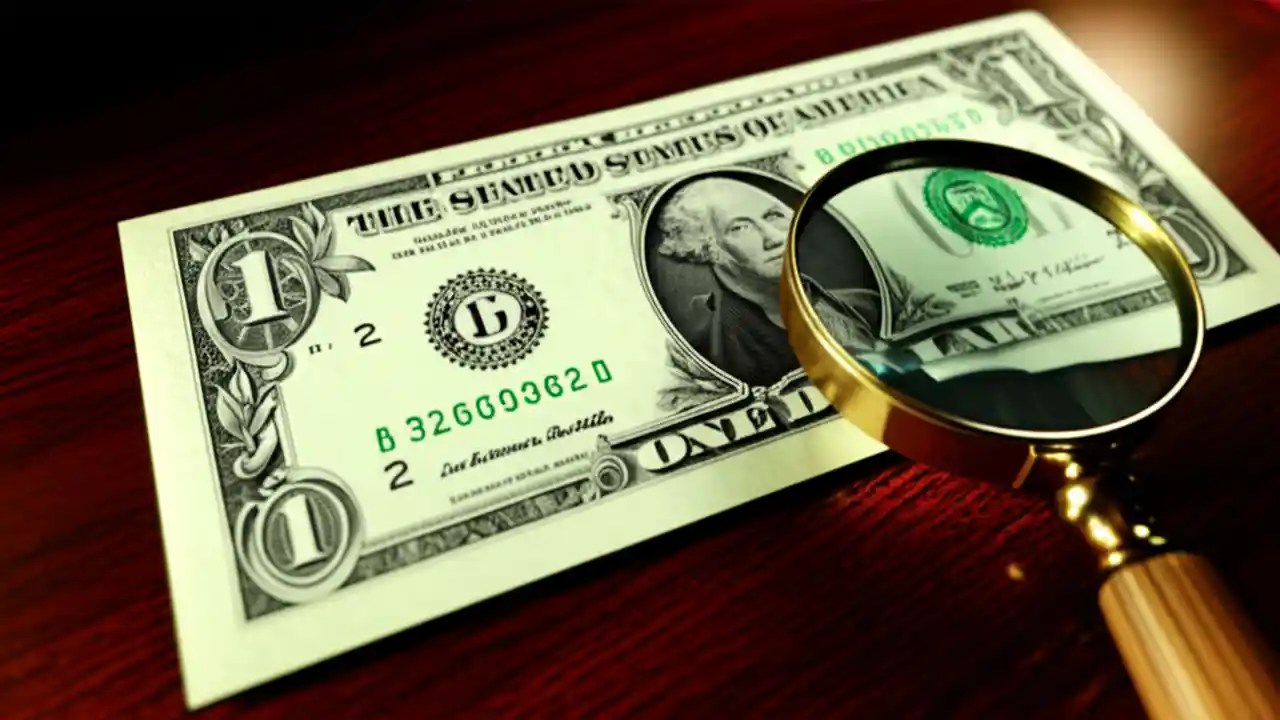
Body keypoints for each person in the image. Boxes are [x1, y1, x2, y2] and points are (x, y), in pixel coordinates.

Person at [655, 176, 881, 387]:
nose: (775, 238)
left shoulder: (868, 306)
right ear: (706, 248)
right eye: (740, 227)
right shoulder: (715, 356)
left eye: (773, 216)